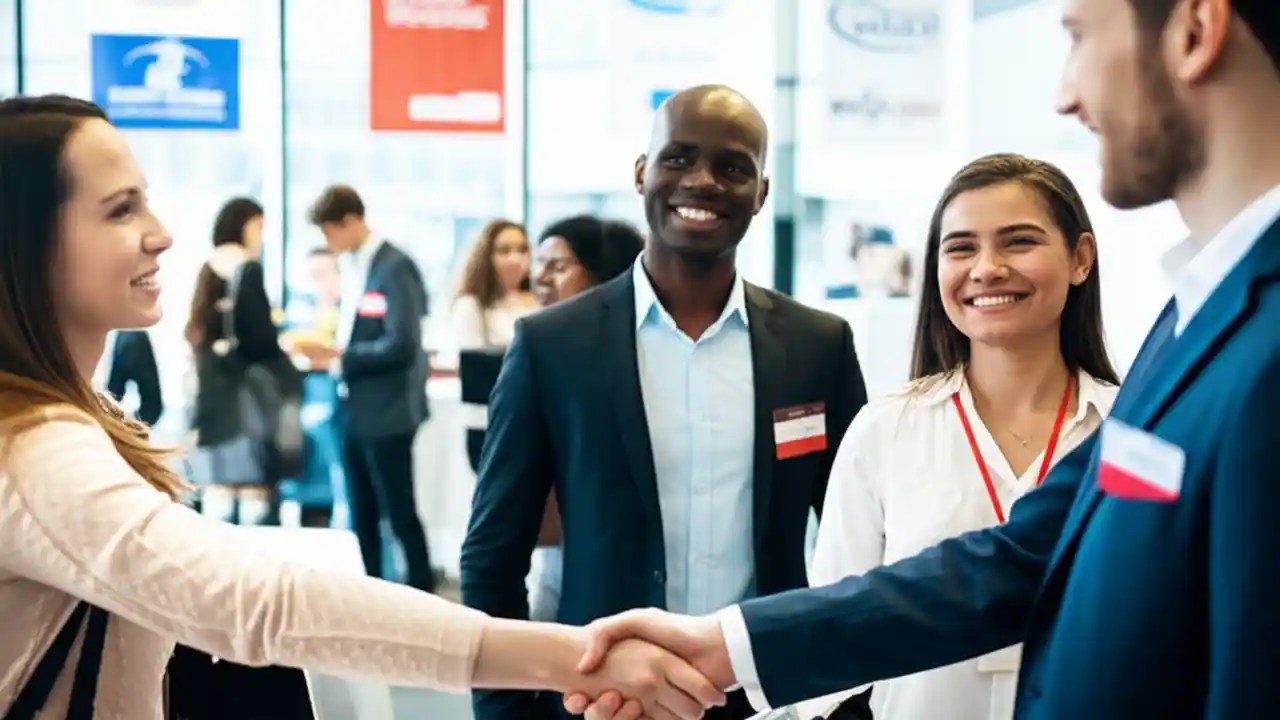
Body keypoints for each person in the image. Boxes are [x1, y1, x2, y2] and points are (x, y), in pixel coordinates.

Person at [568, 1, 1280, 718]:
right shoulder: (1194, 319)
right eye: (961, 246)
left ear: (1195, 30)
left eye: (1078, 37)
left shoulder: (1237, 333)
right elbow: (1018, 562)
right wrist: (722, 646)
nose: (1067, 94)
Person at [0, 95, 724, 720]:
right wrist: (574, 658)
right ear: (26, 245)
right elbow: (259, 605)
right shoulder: (37, 448)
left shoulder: (63, 421)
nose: (160, 232)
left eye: (147, 200)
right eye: (121, 210)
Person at [461, 84, 869, 720]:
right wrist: (510, 712)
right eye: (678, 158)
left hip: (768, 703)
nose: (702, 181)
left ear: (761, 193)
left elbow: (862, 548)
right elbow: (493, 554)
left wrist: (846, 703)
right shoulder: (553, 345)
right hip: (602, 702)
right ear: (642, 172)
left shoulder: (818, 346)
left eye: (732, 167)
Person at [801, 154, 1120, 720]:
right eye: (962, 248)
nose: (988, 268)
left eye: (1019, 241)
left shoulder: (1129, 433)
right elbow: (832, 639)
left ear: (1080, 258)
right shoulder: (886, 431)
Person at [292, 184, 437, 591]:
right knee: (362, 511)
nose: (327, 243)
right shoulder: (357, 266)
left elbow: (401, 342)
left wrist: (339, 356)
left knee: (398, 509)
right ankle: (374, 595)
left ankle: (423, 594)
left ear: (352, 222)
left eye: (329, 232)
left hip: (387, 412)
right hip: (354, 409)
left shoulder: (393, 266)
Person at [526, 215, 646, 623]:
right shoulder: (538, 351)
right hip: (555, 560)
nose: (541, 278)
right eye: (538, 265)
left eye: (558, 267)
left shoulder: (635, 363)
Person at [184, 196, 282, 526]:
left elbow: (194, 330)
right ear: (243, 225)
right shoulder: (247, 269)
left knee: (218, 485)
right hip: (245, 394)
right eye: (259, 226)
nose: (262, 235)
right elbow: (260, 337)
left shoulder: (207, 268)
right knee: (252, 485)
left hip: (212, 392)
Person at [452, 219, 539, 350]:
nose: (515, 259)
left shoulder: (542, 301)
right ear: (486, 257)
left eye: (522, 250)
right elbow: (473, 362)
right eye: (504, 251)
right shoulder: (471, 305)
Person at [104, 329, 163, 426]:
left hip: (124, 335)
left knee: (112, 397)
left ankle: (120, 430)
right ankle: (127, 431)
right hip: (134, 334)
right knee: (152, 406)